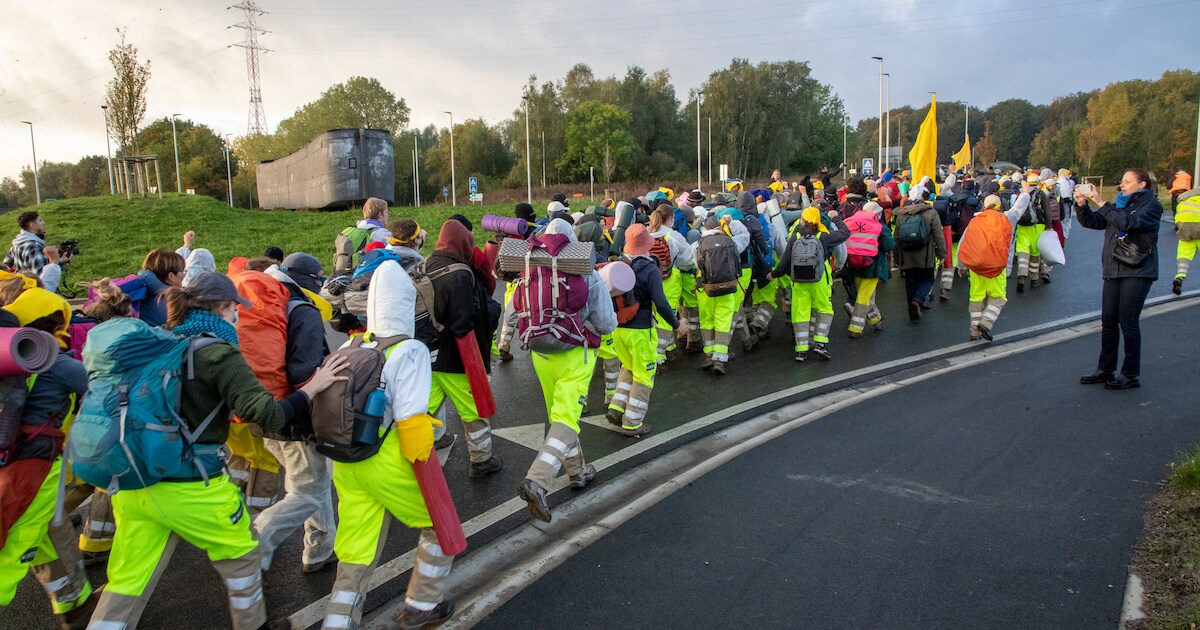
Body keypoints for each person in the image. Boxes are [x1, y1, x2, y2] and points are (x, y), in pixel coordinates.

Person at [86, 272, 349, 629]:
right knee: (243, 559)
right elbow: (267, 414)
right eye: (234, 309)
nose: (237, 317)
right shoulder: (217, 352)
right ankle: (254, 625)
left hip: (135, 482)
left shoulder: (160, 341)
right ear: (223, 308)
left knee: (128, 581)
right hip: (192, 485)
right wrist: (312, 388)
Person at [319, 260, 456, 630]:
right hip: (387, 457)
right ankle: (423, 605)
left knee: (357, 545)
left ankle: (338, 620)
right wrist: (427, 470)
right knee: (438, 526)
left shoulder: (352, 343)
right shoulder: (408, 350)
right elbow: (412, 421)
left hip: (347, 462)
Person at [0, 288, 96, 629]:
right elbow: (100, 385)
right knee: (17, 544)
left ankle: (75, 603)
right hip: (37, 466)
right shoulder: (53, 360)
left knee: (48, 534)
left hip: (8, 461)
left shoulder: (9, 357)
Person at [516, 219, 617, 522]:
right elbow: (606, 322)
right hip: (576, 351)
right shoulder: (582, 267)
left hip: (540, 353)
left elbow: (515, 309)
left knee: (560, 415)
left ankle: (578, 472)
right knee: (567, 418)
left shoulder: (528, 263)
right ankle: (538, 481)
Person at [253, 253, 337, 575]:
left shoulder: (265, 304)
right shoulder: (302, 311)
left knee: (314, 482)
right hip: (295, 418)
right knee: (307, 492)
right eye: (318, 278)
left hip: (264, 412)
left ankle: (320, 550)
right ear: (308, 279)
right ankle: (253, 545)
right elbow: (304, 372)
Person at [1074, 168, 1163, 390]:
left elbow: (1128, 224)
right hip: (1113, 269)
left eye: (1127, 181)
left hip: (1138, 270)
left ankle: (1130, 374)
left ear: (1142, 184)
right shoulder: (1119, 206)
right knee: (1109, 322)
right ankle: (1106, 368)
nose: (1121, 185)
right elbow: (1094, 222)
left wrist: (1100, 201)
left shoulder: (1151, 205)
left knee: (1129, 322)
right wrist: (1082, 205)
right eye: (1121, 181)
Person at [427, 220, 502, 477]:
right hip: (456, 356)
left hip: (427, 352)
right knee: (473, 409)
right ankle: (481, 460)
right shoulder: (460, 272)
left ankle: (407, 457)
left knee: (425, 408)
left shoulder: (425, 265)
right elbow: (463, 321)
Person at [605, 223, 682, 436]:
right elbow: (661, 303)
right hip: (641, 332)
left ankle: (617, 408)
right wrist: (677, 324)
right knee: (644, 375)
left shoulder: (617, 265)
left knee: (628, 368)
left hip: (618, 330)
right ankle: (632, 422)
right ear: (647, 245)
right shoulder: (649, 269)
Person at [772, 206, 849, 361]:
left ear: (803, 220)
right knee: (824, 309)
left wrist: (774, 274)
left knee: (800, 312)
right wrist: (836, 218)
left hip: (799, 281)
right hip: (819, 279)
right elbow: (845, 233)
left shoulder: (795, 236)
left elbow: (785, 260)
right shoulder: (824, 236)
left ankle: (801, 350)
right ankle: (820, 344)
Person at [957, 193, 1030, 340]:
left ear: (984, 206)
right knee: (998, 297)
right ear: (999, 206)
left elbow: (964, 243)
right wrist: (1026, 191)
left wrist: (961, 265)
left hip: (977, 266)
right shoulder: (1007, 218)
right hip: (997, 267)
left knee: (976, 297)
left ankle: (974, 331)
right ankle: (986, 323)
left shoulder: (975, 221)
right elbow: (1019, 207)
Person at [692, 213, 751, 375]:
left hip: (705, 289)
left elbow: (685, 261)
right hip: (728, 288)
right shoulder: (731, 242)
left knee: (707, 321)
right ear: (720, 228)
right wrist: (733, 222)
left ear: (706, 228)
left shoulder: (698, 244)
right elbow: (745, 235)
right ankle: (720, 359)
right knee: (723, 322)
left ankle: (708, 356)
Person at [647, 204, 695, 368]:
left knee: (653, 316)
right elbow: (687, 259)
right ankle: (658, 357)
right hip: (669, 280)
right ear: (669, 219)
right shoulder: (672, 236)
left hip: (647, 279)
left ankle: (669, 347)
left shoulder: (647, 234)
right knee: (667, 318)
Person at [842, 201, 894, 336]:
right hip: (872, 265)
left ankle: (876, 320)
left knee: (865, 295)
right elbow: (889, 245)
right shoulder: (880, 226)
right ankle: (856, 328)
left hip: (853, 264)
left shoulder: (849, 221)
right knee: (864, 297)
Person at [495, 203, 537, 363]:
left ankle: (504, 345)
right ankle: (533, 347)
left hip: (511, 281)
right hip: (530, 278)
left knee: (509, 315)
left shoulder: (509, 232)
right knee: (532, 314)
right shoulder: (533, 231)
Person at [3, 211, 66, 293]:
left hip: (22, 292)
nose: (44, 223)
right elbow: (41, 278)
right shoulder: (34, 245)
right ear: (32, 225)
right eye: (40, 220)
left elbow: (6, 266)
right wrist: (57, 262)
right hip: (35, 294)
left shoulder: (16, 244)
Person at [1012, 173, 1052, 292]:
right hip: (1037, 226)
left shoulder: (1020, 193)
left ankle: (1021, 277)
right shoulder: (1041, 194)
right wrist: (1049, 226)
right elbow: (1047, 211)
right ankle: (1034, 280)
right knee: (1035, 253)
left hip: (1022, 226)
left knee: (1022, 252)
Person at [333, 197, 392, 275]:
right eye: (386, 212)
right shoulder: (382, 234)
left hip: (348, 273)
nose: (388, 215)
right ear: (380, 215)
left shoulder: (355, 232)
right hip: (369, 275)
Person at [137, 248, 186, 327]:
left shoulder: (143, 293)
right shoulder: (175, 303)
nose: (184, 274)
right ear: (171, 276)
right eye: (183, 271)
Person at [1172, 189, 1200, 295]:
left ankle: (1180, 276)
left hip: (1185, 230)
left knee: (1184, 256)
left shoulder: (1184, 199)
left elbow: (1177, 216)